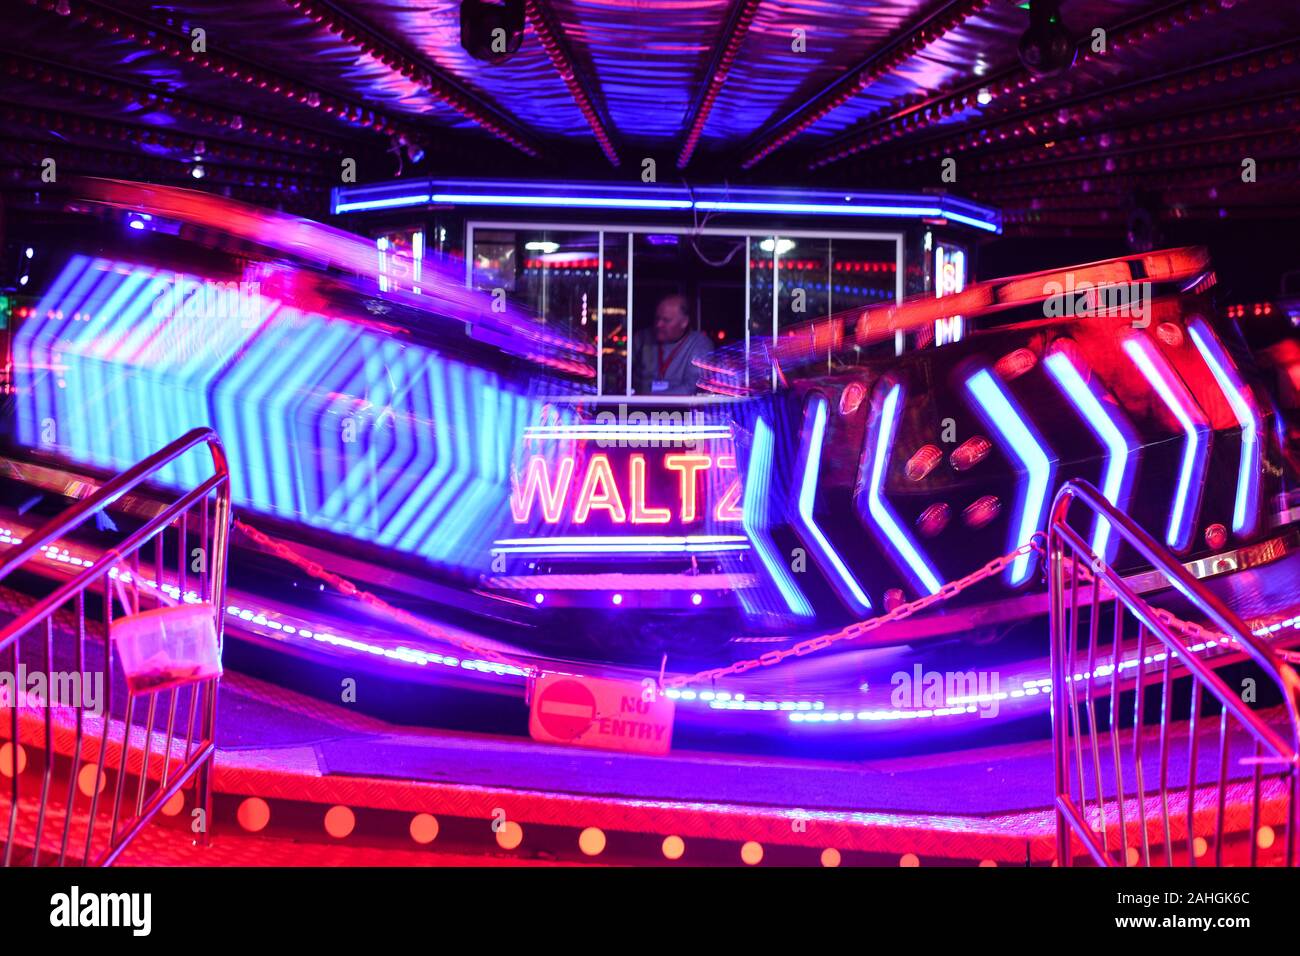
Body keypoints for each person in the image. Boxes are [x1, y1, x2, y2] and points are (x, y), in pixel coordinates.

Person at [633, 293, 713, 395]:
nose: (658, 324)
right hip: (636, 407)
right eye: (657, 318)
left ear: (684, 322)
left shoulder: (700, 344)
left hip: (679, 409)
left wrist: (652, 398)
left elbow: (693, 387)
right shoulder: (641, 338)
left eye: (666, 320)